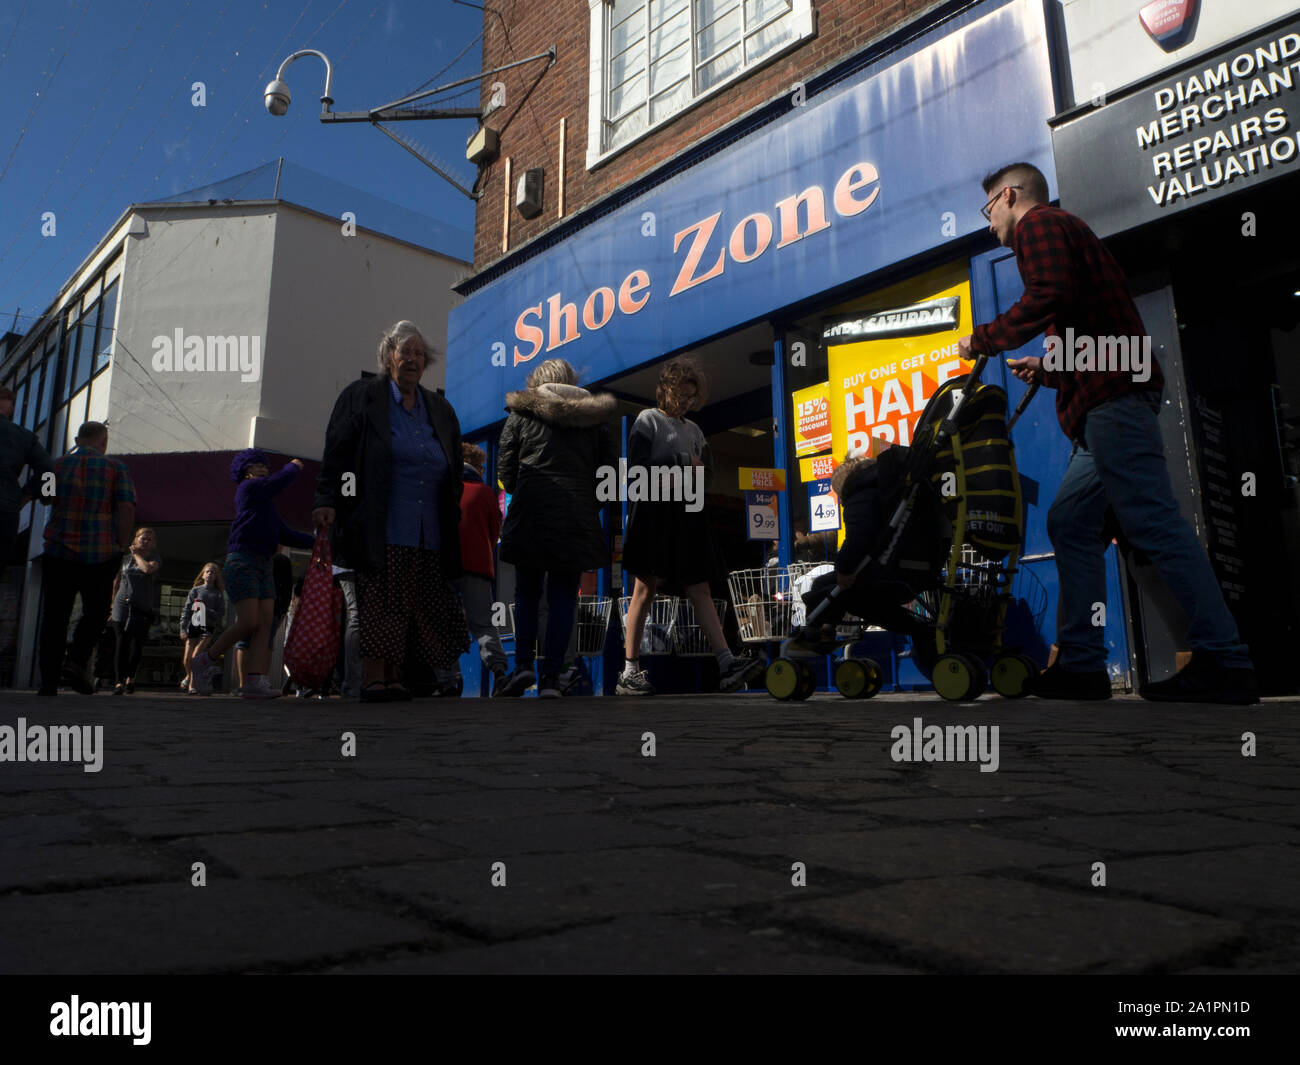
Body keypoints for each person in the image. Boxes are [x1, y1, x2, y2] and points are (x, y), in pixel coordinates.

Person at [958, 160, 1256, 703]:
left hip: (1113, 399)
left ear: (1008, 196)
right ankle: (1082, 665)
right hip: (1105, 398)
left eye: (988, 210)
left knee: (1152, 522)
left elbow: (1050, 293)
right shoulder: (1067, 231)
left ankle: (1225, 659)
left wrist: (985, 340)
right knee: (1071, 521)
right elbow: (1082, 316)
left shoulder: (1039, 225)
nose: (989, 224)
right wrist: (1046, 371)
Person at [313, 320, 469, 703]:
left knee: (417, 602)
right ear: (388, 357)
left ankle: (397, 675)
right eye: (405, 352)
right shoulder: (363, 397)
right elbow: (338, 451)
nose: (412, 359)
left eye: (419, 353)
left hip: (428, 527)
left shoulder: (439, 409)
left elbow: (453, 462)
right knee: (381, 600)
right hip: (380, 521)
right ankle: (372, 678)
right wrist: (329, 499)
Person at [619, 358, 762, 696]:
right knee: (644, 589)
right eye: (681, 394)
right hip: (654, 514)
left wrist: (696, 475)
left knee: (700, 588)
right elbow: (637, 471)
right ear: (665, 389)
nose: (685, 402)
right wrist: (683, 463)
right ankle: (629, 671)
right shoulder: (647, 420)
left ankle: (727, 662)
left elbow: (707, 473)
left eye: (691, 397)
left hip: (688, 514)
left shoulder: (695, 431)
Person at [496, 358, 617, 698]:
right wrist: (587, 504)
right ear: (572, 380)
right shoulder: (594, 420)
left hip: (531, 512)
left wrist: (525, 494)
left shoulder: (521, 414)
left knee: (527, 592)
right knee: (564, 596)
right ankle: (551, 678)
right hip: (576, 518)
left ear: (536, 382)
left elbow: (506, 471)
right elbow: (608, 476)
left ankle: (522, 667)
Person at [190, 451, 313, 698]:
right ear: (245, 471)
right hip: (242, 560)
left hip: (263, 564)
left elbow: (286, 534)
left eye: (264, 466)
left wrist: (317, 541)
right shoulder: (249, 489)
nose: (263, 469)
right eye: (257, 465)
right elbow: (276, 483)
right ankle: (205, 659)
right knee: (249, 621)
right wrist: (293, 467)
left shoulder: (267, 505)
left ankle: (254, 681)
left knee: (265, 623)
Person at [36, 421, 135, 696]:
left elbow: (45, 500)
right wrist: (121, 544)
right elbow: (126, 507)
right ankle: (76, 660)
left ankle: (48, 682)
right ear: (104, 442)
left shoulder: (54, 466)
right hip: (100, 553)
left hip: (58, 552)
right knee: (96, 613)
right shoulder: (117, 469)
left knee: (54, 617)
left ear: (78, 439)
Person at [447, 442, 510, 695]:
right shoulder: (484, 493)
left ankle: (449, 679)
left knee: (444, 623)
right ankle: (499, 672)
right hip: (478, 567)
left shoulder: (446, 489)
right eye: (483, 466)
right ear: (475, 465)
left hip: (446, 566)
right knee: (483, 624)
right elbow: (495, 532)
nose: (484, 470)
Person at [0, 385, 53, 567]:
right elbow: (48, 471)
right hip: (5, 509)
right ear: (7, 406)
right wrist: (42, 496)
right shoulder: (24, 436)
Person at [108, 526, 162, 694]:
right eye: (142, 538)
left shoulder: (155, 558)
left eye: (149, 539)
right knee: (121, 642)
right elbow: (116, 582)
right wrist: (111, 606)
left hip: (142, 606)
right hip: (122, 604)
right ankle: (118, 682)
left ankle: (130, 678)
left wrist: (137, 555)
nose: (145, 542)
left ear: (153, 543)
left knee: (136, 644)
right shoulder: (124, 560)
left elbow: (147, 569)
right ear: (135, 540)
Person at [181, 562, 226, 694]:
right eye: (208, 571)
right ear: (203, 574)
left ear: (217, 576)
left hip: (208, 627)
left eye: (213, 572)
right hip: (194, 624)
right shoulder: (195, 590)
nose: (210, 574)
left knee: (196, 656)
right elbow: (187, 610)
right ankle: (189, 676)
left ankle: (193, 685)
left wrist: (206, 609)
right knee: (187, 658)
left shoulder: (218, 594)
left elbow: (220, 614)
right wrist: (182, 628)